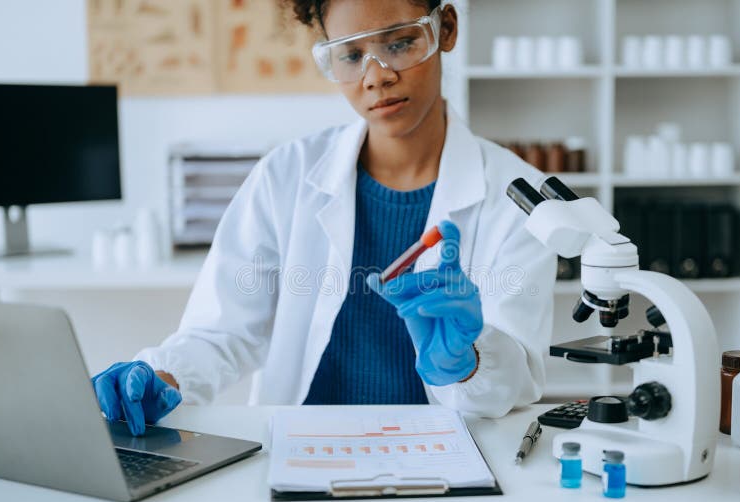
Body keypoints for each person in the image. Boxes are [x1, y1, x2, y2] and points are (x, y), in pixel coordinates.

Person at [91, 0, 556, 436]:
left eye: (399, 43)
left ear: (445, 29)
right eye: (351, 55)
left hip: (443, 450)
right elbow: (222, 331)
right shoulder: (286, 175)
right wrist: (162, 375)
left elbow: (517, 380)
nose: (377, 76)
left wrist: (470, 360)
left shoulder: (519, 198)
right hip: (304, 445)